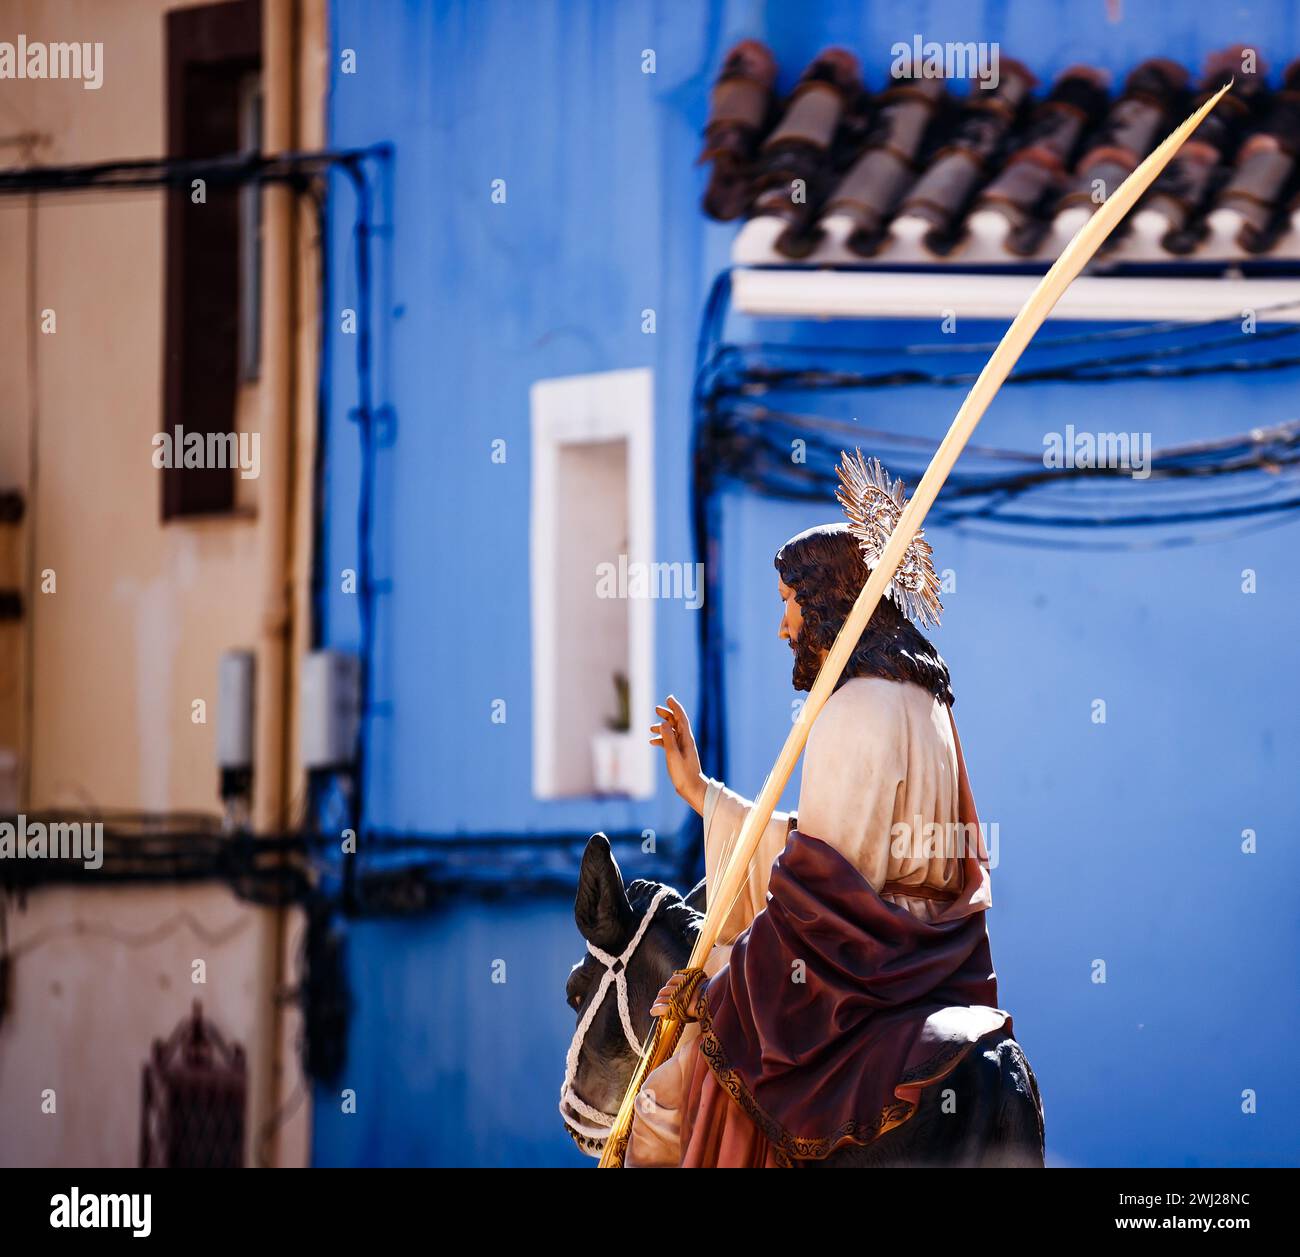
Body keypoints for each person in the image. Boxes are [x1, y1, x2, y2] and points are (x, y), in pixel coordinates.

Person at [627, 483, 1009, 1168]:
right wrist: (704, 794)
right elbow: (841, 849)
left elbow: (823, 892)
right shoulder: (931, 705)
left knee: (670, 1097)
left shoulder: (850, 708)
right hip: (930, 958)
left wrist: (717, 975)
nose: (783, 627)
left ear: (827, 600)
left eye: (788, 603)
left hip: (860, 969)